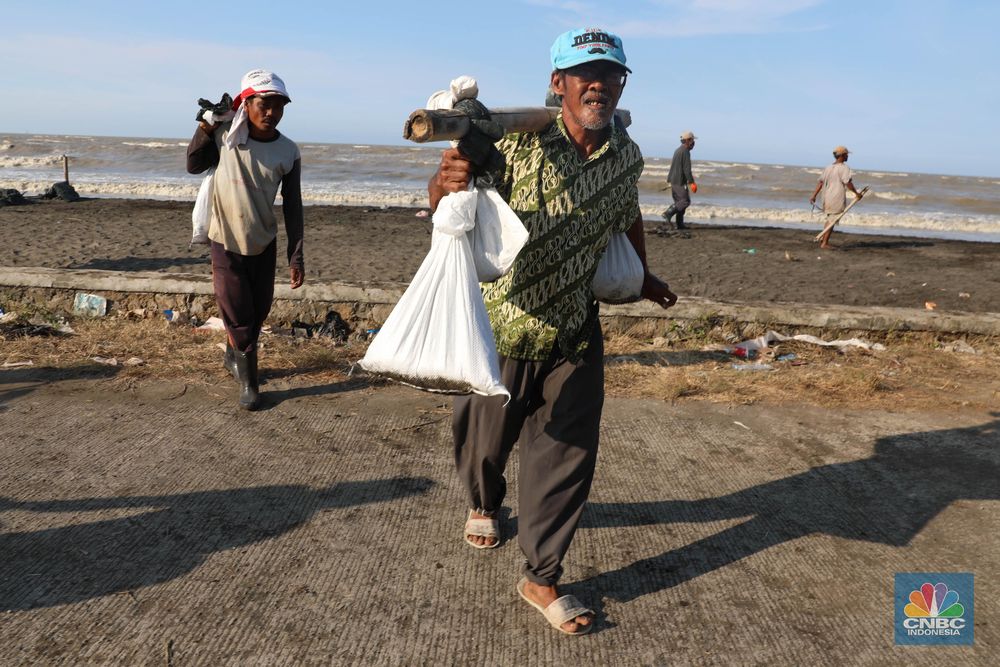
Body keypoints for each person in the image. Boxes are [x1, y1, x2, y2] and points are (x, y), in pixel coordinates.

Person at [429, 27, 677, 636]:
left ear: (622, 84)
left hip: (574, 330)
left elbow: (627, 216)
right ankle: (484, 502)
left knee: (566, 456)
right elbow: (447, 197)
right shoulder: (515, 143)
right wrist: (446, 181)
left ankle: (541, 575)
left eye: (611, 74)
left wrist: (643, 277)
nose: (600, 85)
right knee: (483, 445)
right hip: (503, 326)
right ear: (559, 83)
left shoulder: (626, 155)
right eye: (586, 74)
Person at [186, 69, 304, 410]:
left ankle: (232, 353)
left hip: (262, 240)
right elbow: (193, 165)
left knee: (258, 309)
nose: (272, 112)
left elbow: (293, 206)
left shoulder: (288, 151)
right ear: (246, 104)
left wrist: (296, 255)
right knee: (238, 310)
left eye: (278, 106)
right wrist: (205, 126)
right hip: (225, 237)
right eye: (264, 104)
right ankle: (250, 382)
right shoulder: (225, 136)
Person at [810, 145, 863, 249]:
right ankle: (824, 243)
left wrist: (814, 195)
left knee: (830, 219)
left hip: (826, 197)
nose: (848, 156)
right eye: (846, 154)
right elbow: (848, 183)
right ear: (842, 155)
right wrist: (857, 193)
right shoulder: (844, 168)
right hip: (836, 197)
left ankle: (823, 239)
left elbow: (821, 182)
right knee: (832, 220)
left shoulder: (828, 167)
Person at [661, 130, 698, 230]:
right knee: (685, 201)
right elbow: (687, 169)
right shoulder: (685, 151)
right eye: (692, 140)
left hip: (674, 179)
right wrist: (692, 182)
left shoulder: (678, 150)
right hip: (679, 181)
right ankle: (668, 213)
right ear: (688, 140)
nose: (694, 143)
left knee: (680, 202)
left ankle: (680, 224)